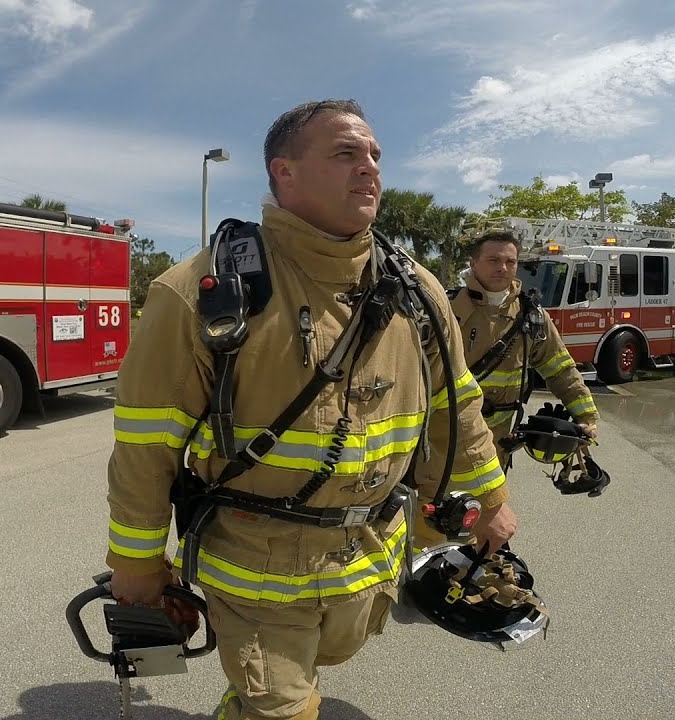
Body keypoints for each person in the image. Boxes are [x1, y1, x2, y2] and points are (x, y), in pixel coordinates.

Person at [102, 99, 516, 720]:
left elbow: (458, 408)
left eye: (374, 155)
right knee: (284, 708)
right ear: (285, 172)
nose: (370, 169)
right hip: (254, 568)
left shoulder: (418, 291)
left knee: (299, 677)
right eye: (345, 154)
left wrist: (489, 500)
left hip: (369, 556)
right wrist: (134, 563)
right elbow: (145, 444)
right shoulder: (198, 292)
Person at [449, 230, 599, 463]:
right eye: (494, 260)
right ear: (474, 264)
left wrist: (586, 416)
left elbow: (560, 369)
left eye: (510, 261)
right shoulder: (445, 309)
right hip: (444, 435)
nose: (503, 267)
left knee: (491, 498)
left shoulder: (531, 316)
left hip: (496, 441)